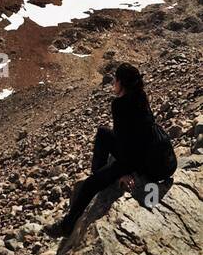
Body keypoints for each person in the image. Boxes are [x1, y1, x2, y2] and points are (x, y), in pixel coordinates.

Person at [45, 63, 172, 238]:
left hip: (142, 160)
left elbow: (125, 145)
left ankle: (67, 226)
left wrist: (123, 173)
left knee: (90, 184)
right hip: (155, 154)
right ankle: (100, 171)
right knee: (103, 132)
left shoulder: (119, 105)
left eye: (115, 80)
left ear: (121, 83)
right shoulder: (140, 96)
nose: (113, 83)